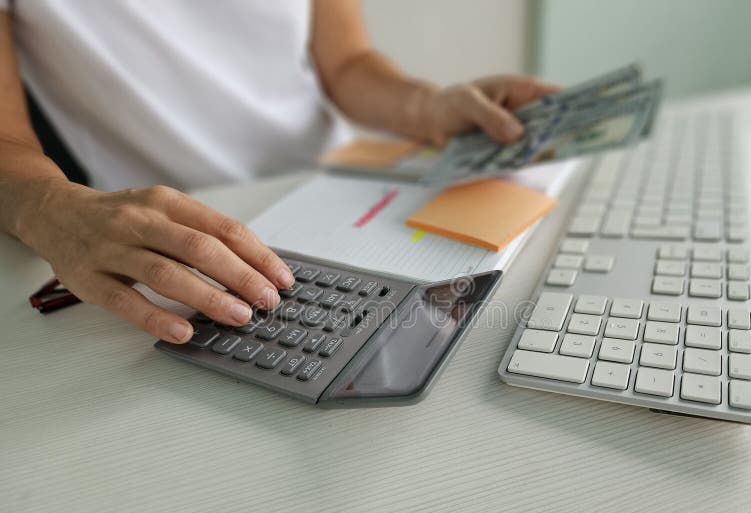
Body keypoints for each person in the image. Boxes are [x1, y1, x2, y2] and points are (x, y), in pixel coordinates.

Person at [0, 0, 555, 344]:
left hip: (346, 187)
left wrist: (429, 107)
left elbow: (346, 63)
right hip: (189, 238)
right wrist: (47, 207)